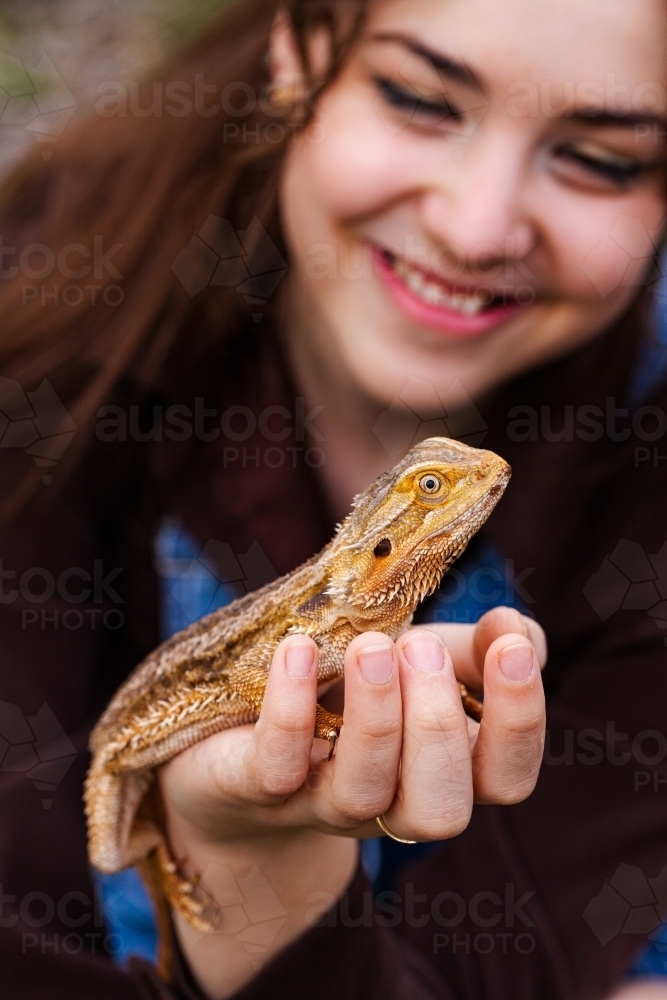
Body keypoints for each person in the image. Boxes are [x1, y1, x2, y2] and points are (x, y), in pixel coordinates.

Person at [1, 0, 666, 997]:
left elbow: (510, 961)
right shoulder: (39, 335)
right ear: (296, 44)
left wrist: (259, 867)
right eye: (416, 96)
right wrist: (228, 850)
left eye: (604, 159)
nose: (474, 227)